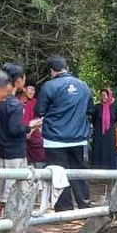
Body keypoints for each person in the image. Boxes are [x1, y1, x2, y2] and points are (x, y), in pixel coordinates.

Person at [36, 56, 93, 210]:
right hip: (79, 138)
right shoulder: (83, 86)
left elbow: (40, 110)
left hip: (55, 138)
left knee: (58, 175)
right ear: (66, 67)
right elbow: (89, 110)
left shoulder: (49, 86)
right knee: (79, 174)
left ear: (51, 71)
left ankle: (64, 209)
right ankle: (85, 206)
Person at [0, 63, 29, 219]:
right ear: (18, 81)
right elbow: (15, 129)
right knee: (13, 187)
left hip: (0, 150)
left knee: (1, 187)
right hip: (15, 151)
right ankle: (11, 221)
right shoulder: (14, 104)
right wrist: (29, 127)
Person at [90, 88, 117, 170]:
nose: (103, 97)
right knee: (98, 151)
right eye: (102, 95)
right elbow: (93, 119)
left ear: (109, 96)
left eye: (105, 95)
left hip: (110, 134)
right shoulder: (97, 107)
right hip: (99, 133)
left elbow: (116, 118)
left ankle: (110, 173)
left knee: (109, 151)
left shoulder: (114, 107)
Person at [21, 83, 44, 167]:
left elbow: (39, 119)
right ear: (24, 89)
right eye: (31, 89)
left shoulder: (35, 102)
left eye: (34, 90)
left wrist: (30, 131)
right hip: (20, 136)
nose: (33, 92)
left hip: (33, 136)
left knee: (39, 159)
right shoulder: (16, 101)